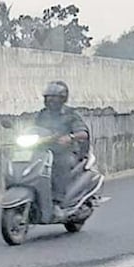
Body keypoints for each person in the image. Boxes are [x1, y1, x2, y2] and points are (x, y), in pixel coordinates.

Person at [35, 81, 90, 213]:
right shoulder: (42, 115)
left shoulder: (71, 114)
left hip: (66, 152)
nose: (50, 100)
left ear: (62, 99)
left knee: (59, 164)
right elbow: (32, 129)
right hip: (44, 151)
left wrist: (70, 137)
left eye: (54, 97)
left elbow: (83, 133)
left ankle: (57, 202)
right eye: (48, 97)